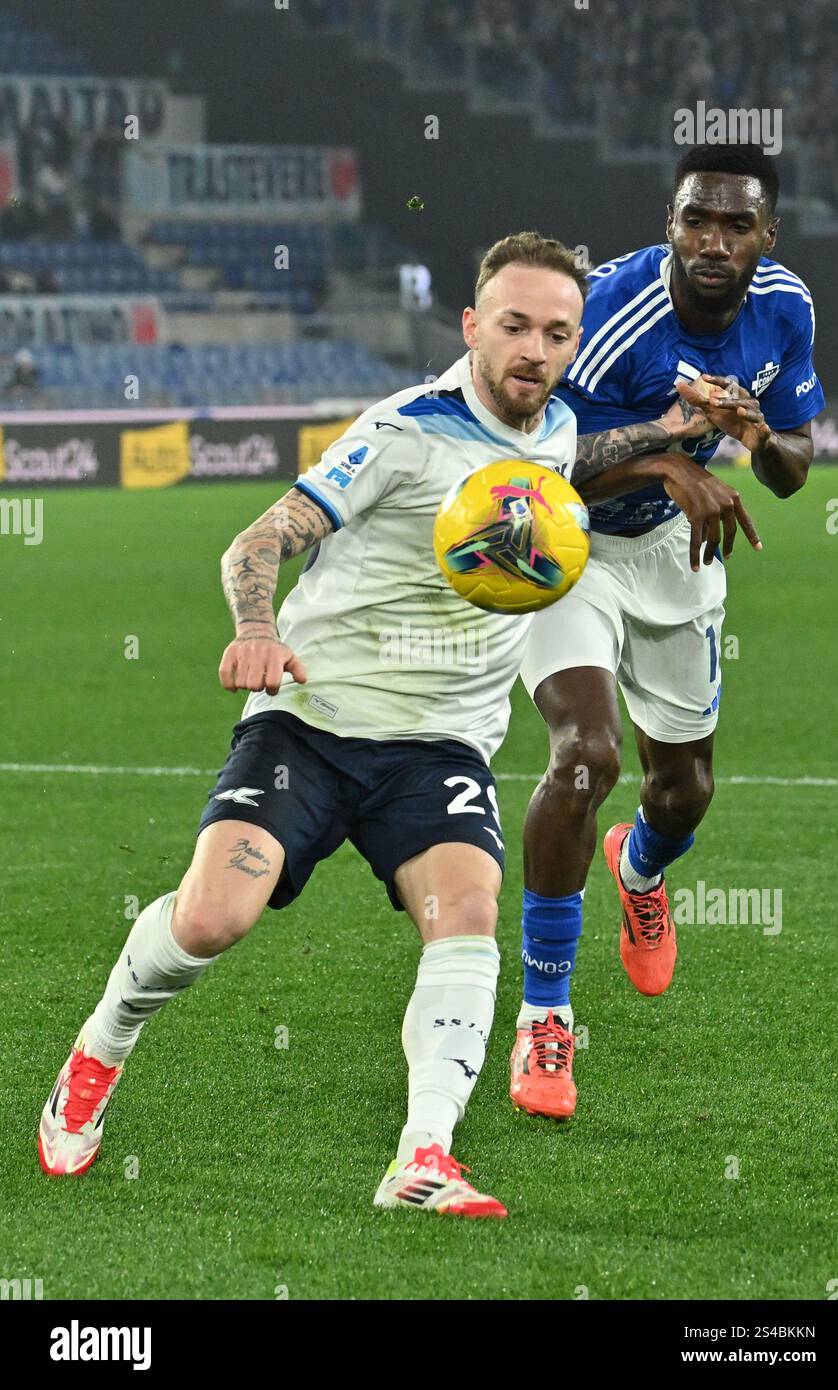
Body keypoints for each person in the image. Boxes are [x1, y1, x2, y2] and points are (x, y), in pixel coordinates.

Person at [39, 230, 594, 1218]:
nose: (533, 350)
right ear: (470, 326)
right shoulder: (404, 430)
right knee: (212, 918)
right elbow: (260, 538)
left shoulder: (556, 436)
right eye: (513, 325)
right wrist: (256, 627)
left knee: (464, 915)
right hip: (310, 720)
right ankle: (99, 1048)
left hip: (441, 743)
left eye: (556, 332)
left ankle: (422, 1153)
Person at [509, 144, 825, 1121]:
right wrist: (665, 462)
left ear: (764, 236)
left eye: (735, 225)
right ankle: (543, 1016)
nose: (713, 241)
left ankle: (637, 867)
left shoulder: (785, 309)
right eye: (696, 220)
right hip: (564, 546)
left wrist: (754, 435)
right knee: (581, 758)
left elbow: (792, 468)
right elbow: (539, 460)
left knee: (683, 791)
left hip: (674, 565)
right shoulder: (605, 311)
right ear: (669, 222)